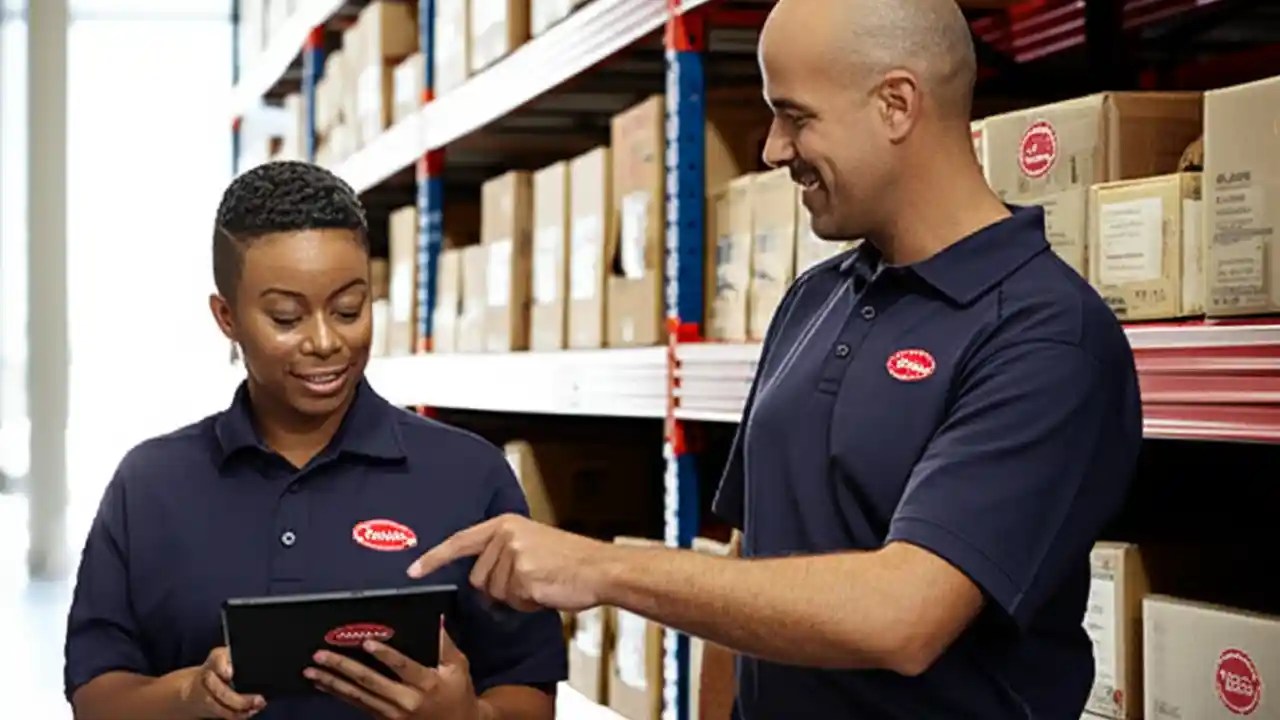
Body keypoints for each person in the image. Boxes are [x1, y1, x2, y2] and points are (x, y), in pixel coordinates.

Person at [405, 0, 1144, 717]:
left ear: (896, 104)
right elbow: (747, 563)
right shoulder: (813, 300)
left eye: (795, 115)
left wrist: (598, 568)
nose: (771, 148)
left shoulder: (1046, 333)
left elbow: (905, 617)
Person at [63, 161, 566, 720]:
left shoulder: (471, 476)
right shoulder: (149, 484)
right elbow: (94, 695)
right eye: (286, 317)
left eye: (349, 309)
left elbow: (530, 690)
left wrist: (467, 716)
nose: (326, 342)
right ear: (226, 317)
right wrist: (188, 697)